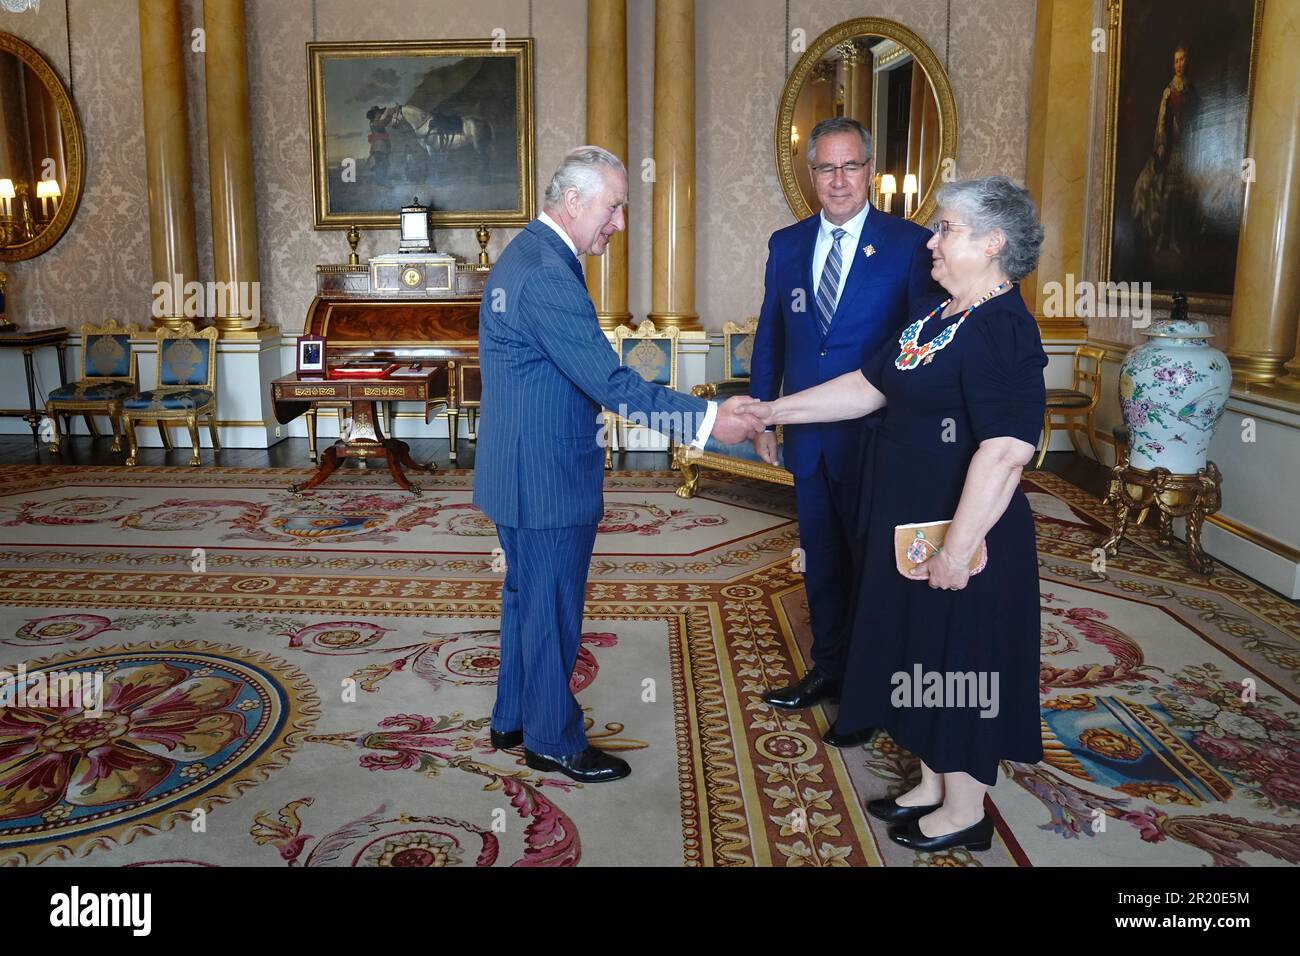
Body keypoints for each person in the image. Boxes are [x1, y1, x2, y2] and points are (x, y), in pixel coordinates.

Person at [743, 176, 1047, 852]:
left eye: (947, 230)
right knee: (923, 650)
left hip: (968, 538)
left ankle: (966, 812)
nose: (931, 241)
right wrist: (770, 410)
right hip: (914, 527)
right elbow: (864, 387)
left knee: (961, 661)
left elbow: (1005, 451)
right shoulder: (942, 315)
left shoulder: (1001, 327)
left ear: (993, 243)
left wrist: (958, 548)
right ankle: (935, 784)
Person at [473, 146, 763, 783]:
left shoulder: (526, 253)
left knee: (526, 599)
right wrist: (712, 422)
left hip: (518, 470)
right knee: (549, 606)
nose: (620, 222)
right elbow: (612, 383)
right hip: (544, 479)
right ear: (573, 201)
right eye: (614, 205)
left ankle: (513, 715)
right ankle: (551, 739)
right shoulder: (547, 272)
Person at [750, 116, 938, 743]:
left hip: (877, 439)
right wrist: (761, 414)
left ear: (870, 171)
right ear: (812, 174)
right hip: (807, 436)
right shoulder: (786, 243)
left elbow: (919, 348)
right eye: (826, 168)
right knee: (822, 562)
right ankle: (828, 669)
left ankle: (873, 689)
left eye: (850, 166)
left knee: (873, 567)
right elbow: (771, 335)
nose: (838, 180)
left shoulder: (910, 245)